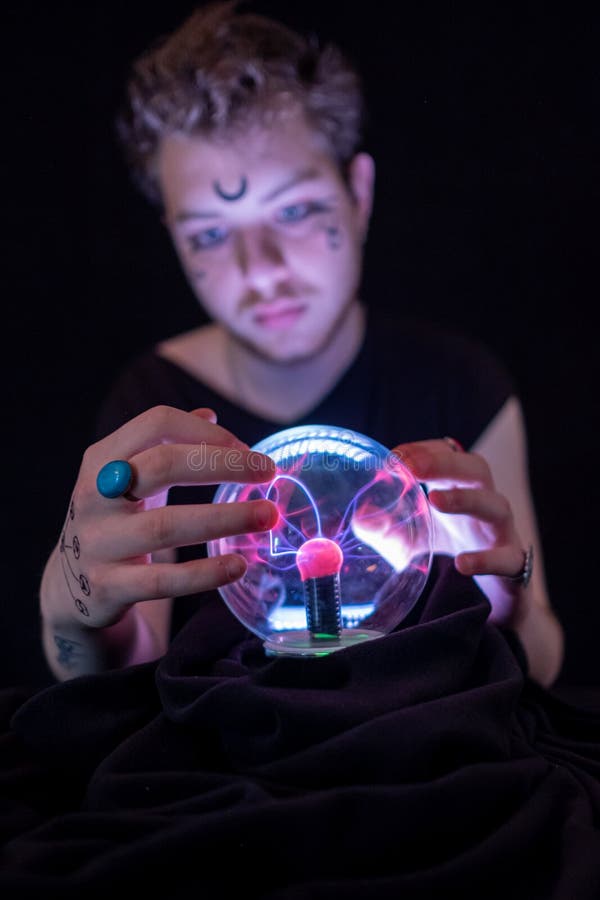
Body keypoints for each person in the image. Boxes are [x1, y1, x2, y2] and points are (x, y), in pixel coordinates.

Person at [39, 0, 563, 688]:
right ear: (172, 236)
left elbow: (546, 662)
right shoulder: (154, 403)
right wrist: (76, 612)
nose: (260, 268)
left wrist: (508, 593)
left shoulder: (460, 383)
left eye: (294, 210)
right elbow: (120, 672)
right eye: (210, 234)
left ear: (360, 193)